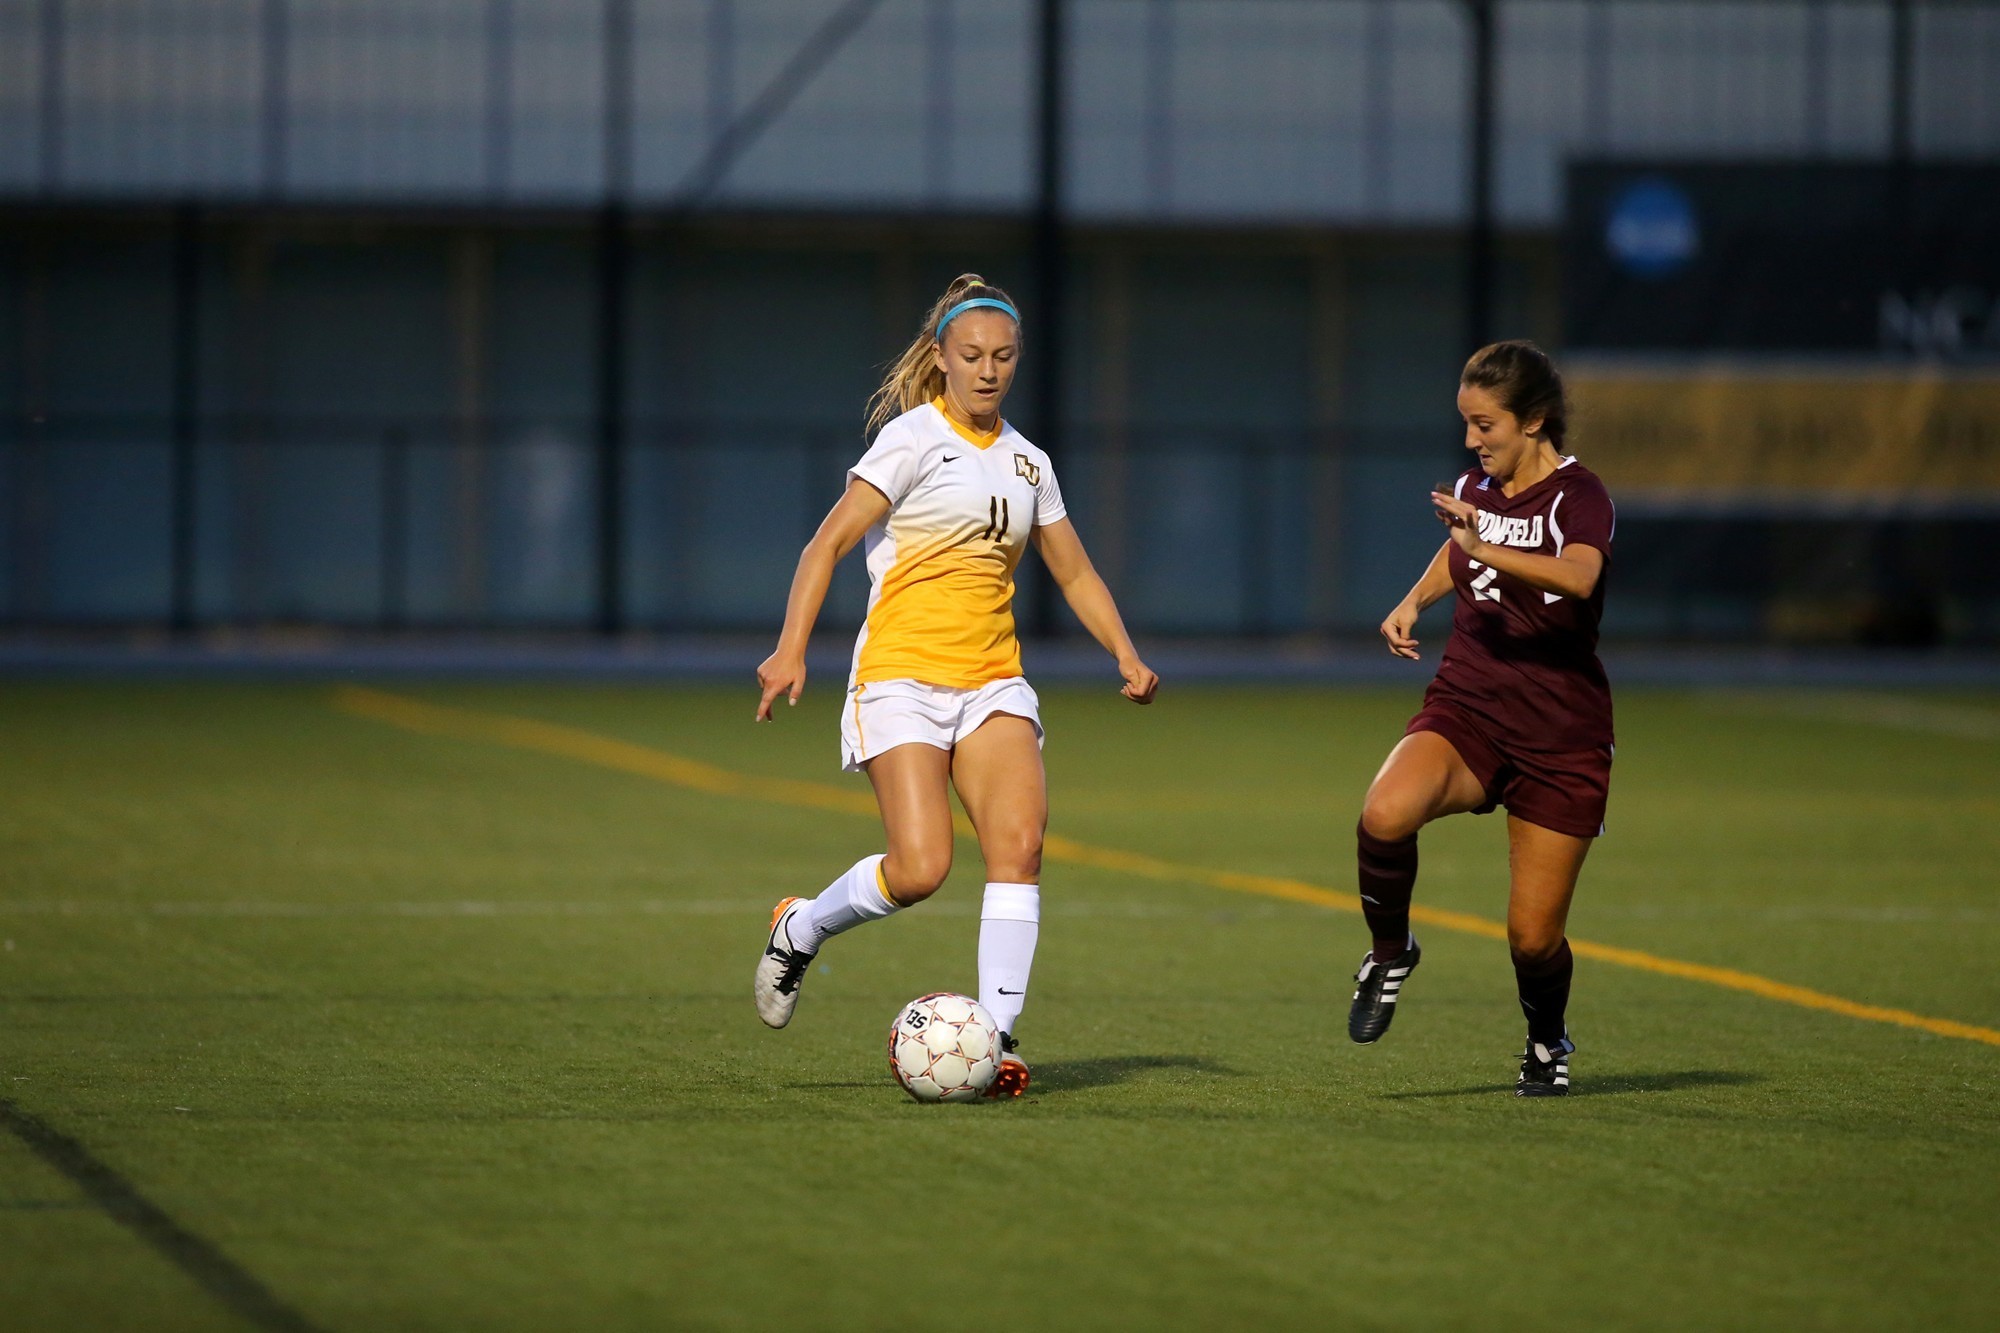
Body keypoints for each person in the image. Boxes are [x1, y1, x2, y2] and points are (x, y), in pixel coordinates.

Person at [751, 273, 1159, 1098]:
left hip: (992, 684)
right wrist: (790, 648)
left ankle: (999, 1040)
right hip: (899, 676)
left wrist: (1124, 650)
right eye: (971, 354)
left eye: (1003, 357)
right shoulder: (910, 440)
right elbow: (824, 547)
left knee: (1021, 848)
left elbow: (1073, 571)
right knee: (922, 866)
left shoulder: (1029, 463)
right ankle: (801, 926)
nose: (988, 370)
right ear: (940, 358)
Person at [1348, 340, 1616, 1097]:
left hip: (1561, 737)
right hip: (1468, 707)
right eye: (1466, 424)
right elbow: (1458, 552)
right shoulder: (1477, 486)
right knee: (1385, 812)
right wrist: (1414, 599)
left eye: (1485, 424)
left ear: (1533, 421)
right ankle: (1390, 950)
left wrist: (1484, 540)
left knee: (1533, 939)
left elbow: (1578, 574)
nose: (1472, 441)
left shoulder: (1579, 496)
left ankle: (1545, 1042)